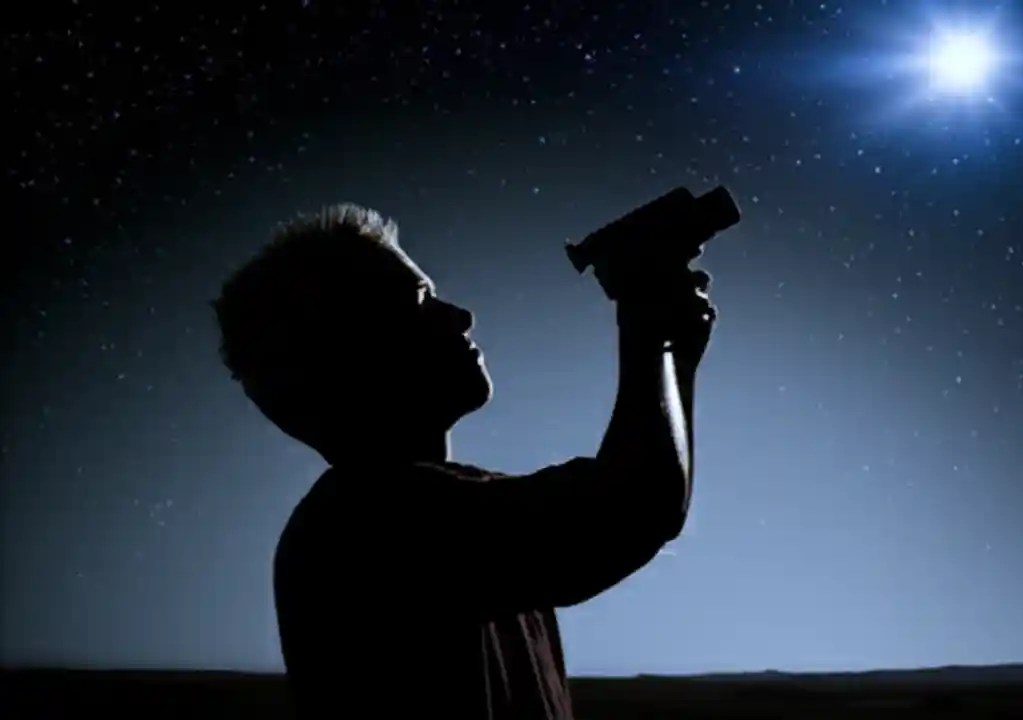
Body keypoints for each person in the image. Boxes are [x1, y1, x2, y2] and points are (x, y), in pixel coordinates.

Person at [210, 203, 715, 718]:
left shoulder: (431, 510)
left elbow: (639, 500)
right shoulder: (366, 521)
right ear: (355, 353)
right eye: (420, 302)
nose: (461, 317)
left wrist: (675, 357)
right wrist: (650, 336)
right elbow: (634, 507)